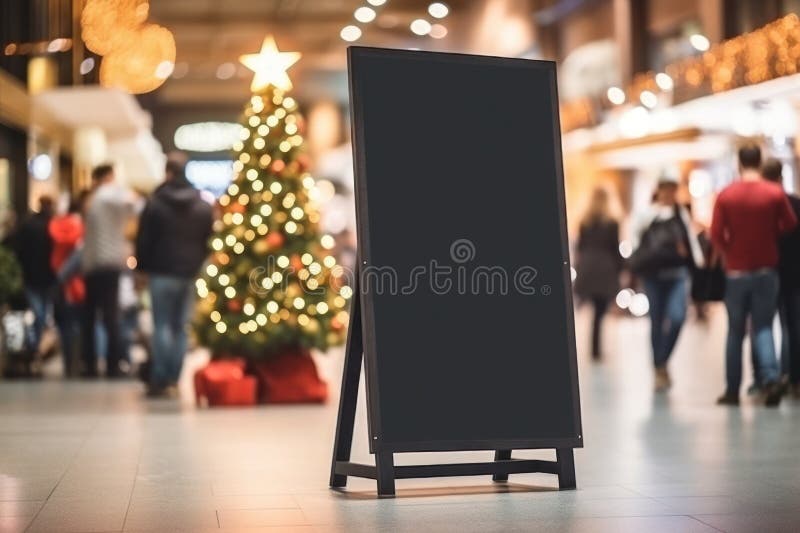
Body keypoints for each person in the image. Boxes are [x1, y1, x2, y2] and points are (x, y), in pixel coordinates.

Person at [711, 145, 797, 407]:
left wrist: (730, 251)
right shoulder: (773, 193)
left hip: (736, 271)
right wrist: (768, 236)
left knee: (735, 331)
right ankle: (770, 379)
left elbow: (716, 234)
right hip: (766, 270)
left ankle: (732, 390)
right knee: (763, 326)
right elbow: (790, 223)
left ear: (739, 163)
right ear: (760, 163)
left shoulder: (726, 195)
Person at [136, 160, 213, 397]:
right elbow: (208, 240)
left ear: (168, 172)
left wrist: (142, 269)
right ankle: (174, 378)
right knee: (181, 327)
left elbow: (144, 239)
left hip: (161, 272)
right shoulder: (202, 205)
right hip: (189, 273)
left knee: (161, 325)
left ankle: (160, 378)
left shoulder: (155, 203)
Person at [633, 174, 704, 391]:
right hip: (653, 275)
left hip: (677, 274)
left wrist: (697, 263)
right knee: (656, 321)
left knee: (677, 317)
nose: (669, 193)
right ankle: (658, 367)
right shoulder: (647, 214)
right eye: (666, 188)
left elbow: (691, 241)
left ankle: (662, 360)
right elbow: (636, 242)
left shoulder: (681, 213)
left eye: (673, 188)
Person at [82, 164, 135, 378]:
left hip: (92, 263)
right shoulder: (110, 194)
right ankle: (114, 364)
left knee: (90, 316)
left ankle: (90, 364)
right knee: (111, 316)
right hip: (110, 263)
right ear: (109, 176)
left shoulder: (94, 199)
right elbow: (134, 205)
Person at [762, 158, 800, 397]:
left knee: (762, 326)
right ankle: (793, 377)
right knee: (792, 325)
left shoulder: (759, 206)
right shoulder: (795, 204)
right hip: (793, 273)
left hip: (766, 271)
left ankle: (767, 379)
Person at [574, 186, 622, 360]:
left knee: (595, 310)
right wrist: (621, 270)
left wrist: (579, 268)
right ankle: (596, 349)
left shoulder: (584, 222)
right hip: (604, 270)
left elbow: (580, 249)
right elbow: (615, 250)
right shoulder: (612, 223)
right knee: (600, 311)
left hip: (588, 268)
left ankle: (595, 348)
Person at [49, 193, 87, 377]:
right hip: (80, 283)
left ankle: (68, 363)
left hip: (60, 281)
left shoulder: (55, 226)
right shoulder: (82, 229)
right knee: (79, 325)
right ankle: (77, 362)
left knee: (65, 326)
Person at [13, 195, 56, 354]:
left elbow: (18, 249)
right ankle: (35, 346)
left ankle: (35, 346)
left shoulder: (29, 224)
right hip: (47, 277)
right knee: (41, 314)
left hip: (32, 276)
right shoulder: (52, 225)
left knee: (39, 314)